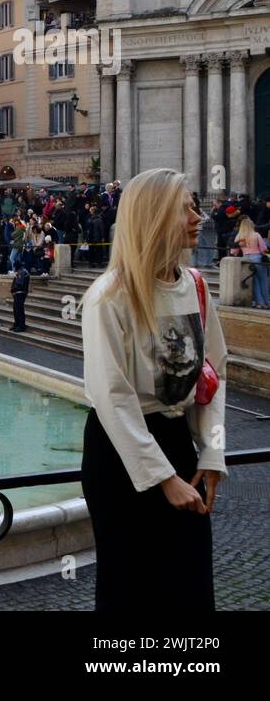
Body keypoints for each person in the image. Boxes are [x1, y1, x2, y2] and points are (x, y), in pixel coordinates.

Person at [79, 168, 226, 612]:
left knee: (191, 585)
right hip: (122, 455)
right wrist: (163, 478)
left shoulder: (197, 286)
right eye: (187, 208)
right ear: (157, 216)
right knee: (132, 588)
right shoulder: (109, 296)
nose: (197, 217)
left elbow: (214, 374)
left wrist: (213, 452)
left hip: (179, 443)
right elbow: (112, 395)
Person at [233, 216, 270, 308]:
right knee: (263, 280)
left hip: (246, 260)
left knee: (255, 282)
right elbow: (263, 248)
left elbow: (233, 251)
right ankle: (267, 302)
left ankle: (259, 303)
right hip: (257, 258)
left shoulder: (239, 236)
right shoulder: (256, 235)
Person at [10, 262, 30, 332]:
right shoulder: (21, 271)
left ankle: (21, 326)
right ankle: (16, 324)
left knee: (19, 310)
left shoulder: (22, 272)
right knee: (16, 309)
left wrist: (13, 290)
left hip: (20, 293)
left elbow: (19, 284)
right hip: (18, 293)